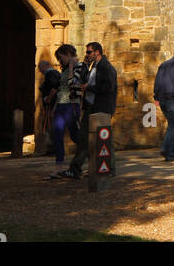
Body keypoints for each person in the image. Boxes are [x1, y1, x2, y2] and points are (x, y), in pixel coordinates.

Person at [67, 42, 118, 178]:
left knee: (105, 138)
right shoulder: (93, 66)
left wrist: (88, 87)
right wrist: (84, 64)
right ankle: (76, 168)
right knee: (84, 138)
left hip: (101, 107)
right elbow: (84, 79)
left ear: (97, 52)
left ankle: (110, 168)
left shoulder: (106, 67)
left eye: (89, 52)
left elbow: (108, 88)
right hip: (91, 106)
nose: (87, 54)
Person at [49, 44, 84, 172]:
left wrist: (70, 67)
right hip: (61, 106)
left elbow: (72, 84)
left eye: (61, 57)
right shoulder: (63, 69)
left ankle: (89, 158)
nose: (60, 61)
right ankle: (58, 167)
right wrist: (55, 107)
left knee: (75, 135)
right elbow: (61, 89)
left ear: (68, 54)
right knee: (57, 135)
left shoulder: (80, 67)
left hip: (72, 105)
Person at [153, 43, 174, 161]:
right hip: (173, 99)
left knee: (171, 125)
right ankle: (167, 150)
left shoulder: (163, 65)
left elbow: (157, 82)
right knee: (173, 126)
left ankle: (169, 154)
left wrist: (156, 97)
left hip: (162, 99)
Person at [37, 58, 61, 156]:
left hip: (53, 106)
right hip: (51, 106)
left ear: (45, 66)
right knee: (50, 127)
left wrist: (48, 98)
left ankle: (54, 149)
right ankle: (51, 149)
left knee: (53, 128)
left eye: (40, 68)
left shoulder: (51, 74)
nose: (40, 71)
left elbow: (55, 88)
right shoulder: (52, 74)